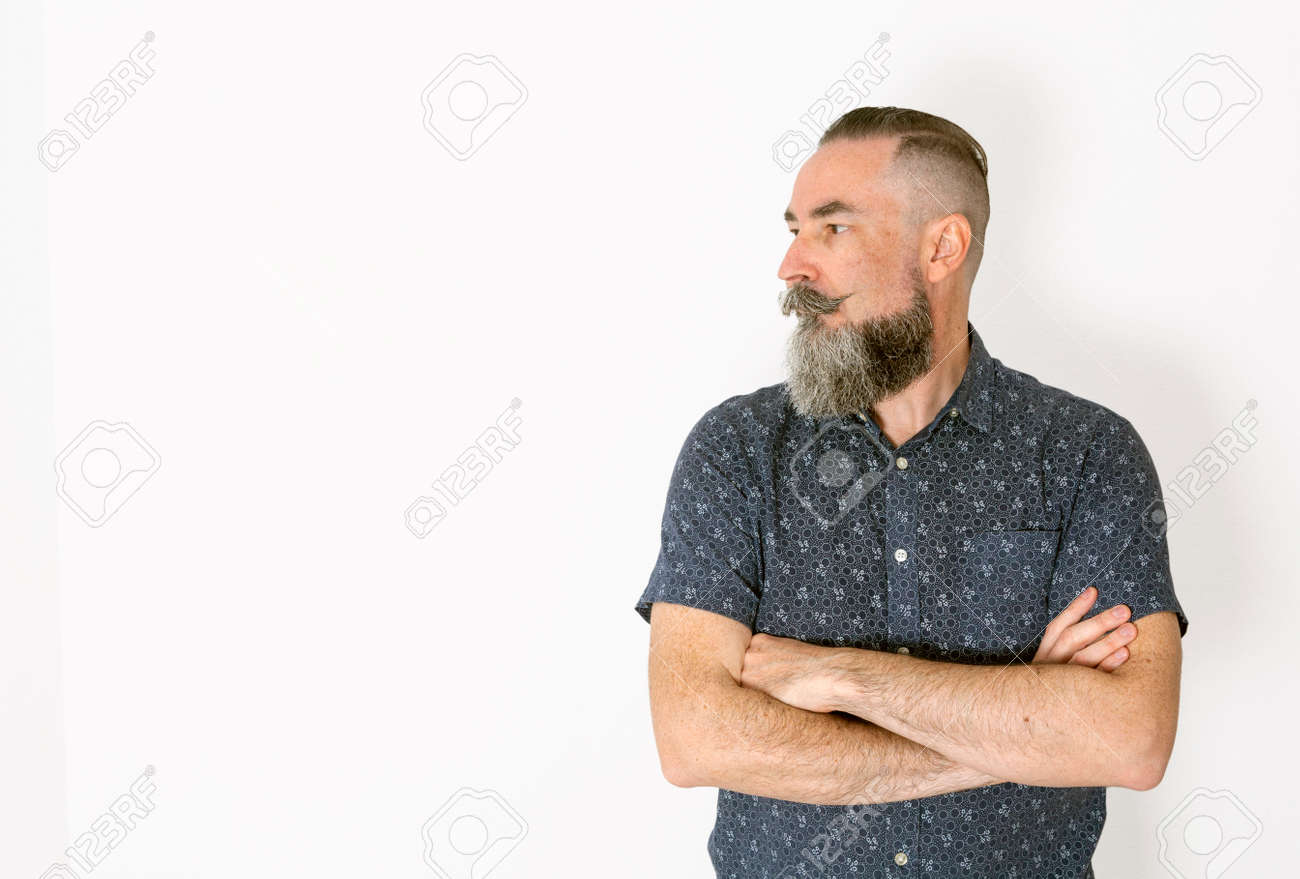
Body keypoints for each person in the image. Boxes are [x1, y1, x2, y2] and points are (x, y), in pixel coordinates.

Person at [634, 106, 1188, 878]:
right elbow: (695, 738)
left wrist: (844, 677)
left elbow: (1131, 739)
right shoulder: (735, 451)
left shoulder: (1087, 453)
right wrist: (1024, 724)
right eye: (794, 229)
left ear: (942, 247)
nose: (792, 266)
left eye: (833, 228)